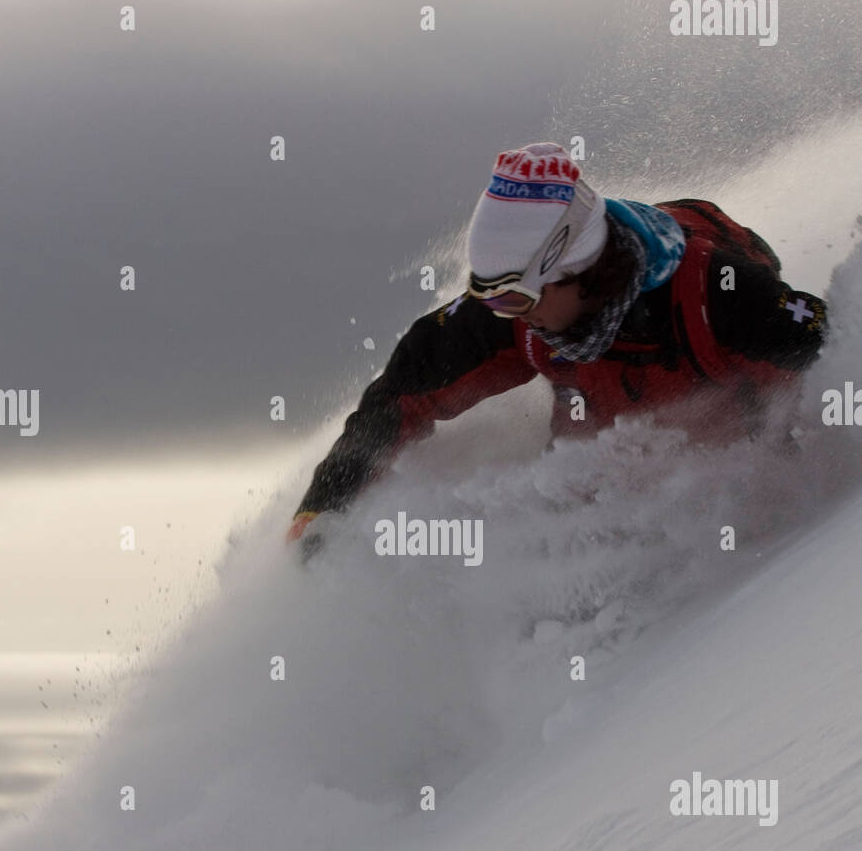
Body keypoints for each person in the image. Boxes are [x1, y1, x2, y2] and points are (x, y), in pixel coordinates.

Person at [286, 141, 827, 556]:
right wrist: (325, 505)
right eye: (490, 298)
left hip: (745, 527)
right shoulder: (520, 316)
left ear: (578, 268)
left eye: (516, 296)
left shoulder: (720, 299)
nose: (508, 313)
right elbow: (403, 392)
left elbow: (830, 365)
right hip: (598, 507)